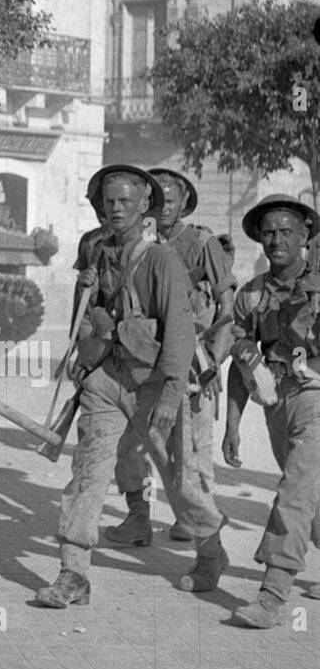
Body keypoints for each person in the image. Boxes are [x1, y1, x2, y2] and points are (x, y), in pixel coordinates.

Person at [34, 164, 228, 609]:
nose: (115, 208)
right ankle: (73, 572)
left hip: (153, 384)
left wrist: (172, 393)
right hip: (107, 380)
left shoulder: (161, 260)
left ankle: (211, 551)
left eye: (124, 201)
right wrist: (84, 296)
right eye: (109, 201)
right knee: (87, 474)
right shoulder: (99, 255)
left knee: (179, 481)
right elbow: (84, 329)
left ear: (145, 205)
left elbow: (179, 329)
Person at [103, 167, 235, 547]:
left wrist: (212, 362)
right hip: (142, 367)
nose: (162, 208)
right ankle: (138, 518)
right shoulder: (136, 245)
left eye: (170, 200)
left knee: (188, 456)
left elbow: (227, 310)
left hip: (190, 364)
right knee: (129, 450)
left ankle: (203, 538)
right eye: (156, 199)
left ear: (183, 205)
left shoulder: (202, 243)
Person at [224, 195, 320, 628]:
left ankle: (273, 593)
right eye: (269, 232)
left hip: (316, 398)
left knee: (295, 491)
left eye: (286, 232)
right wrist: (231, 424)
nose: (277, 240)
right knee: (309, 491)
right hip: (276, 400)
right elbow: (239, 358)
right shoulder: (253, 293)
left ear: (304, 236)